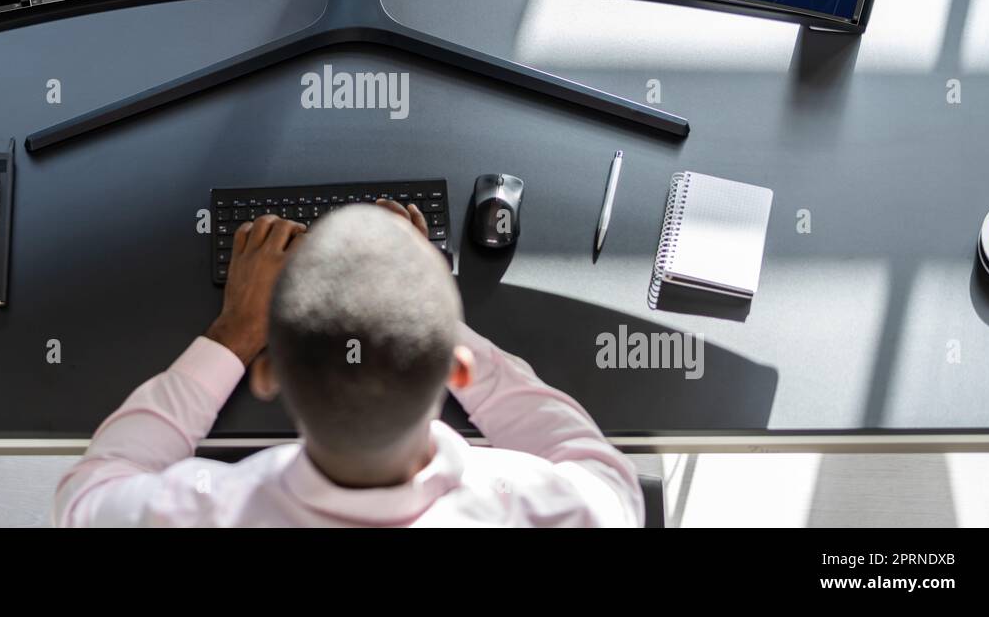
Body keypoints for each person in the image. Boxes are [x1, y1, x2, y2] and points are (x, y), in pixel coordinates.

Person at [54, 201, 642, 527]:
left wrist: (233, 335)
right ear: (456, 372)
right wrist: (421, 305)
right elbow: (600, 471)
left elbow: (89, 493)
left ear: (268, 376)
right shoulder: (549, 508)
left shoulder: (202, 512)